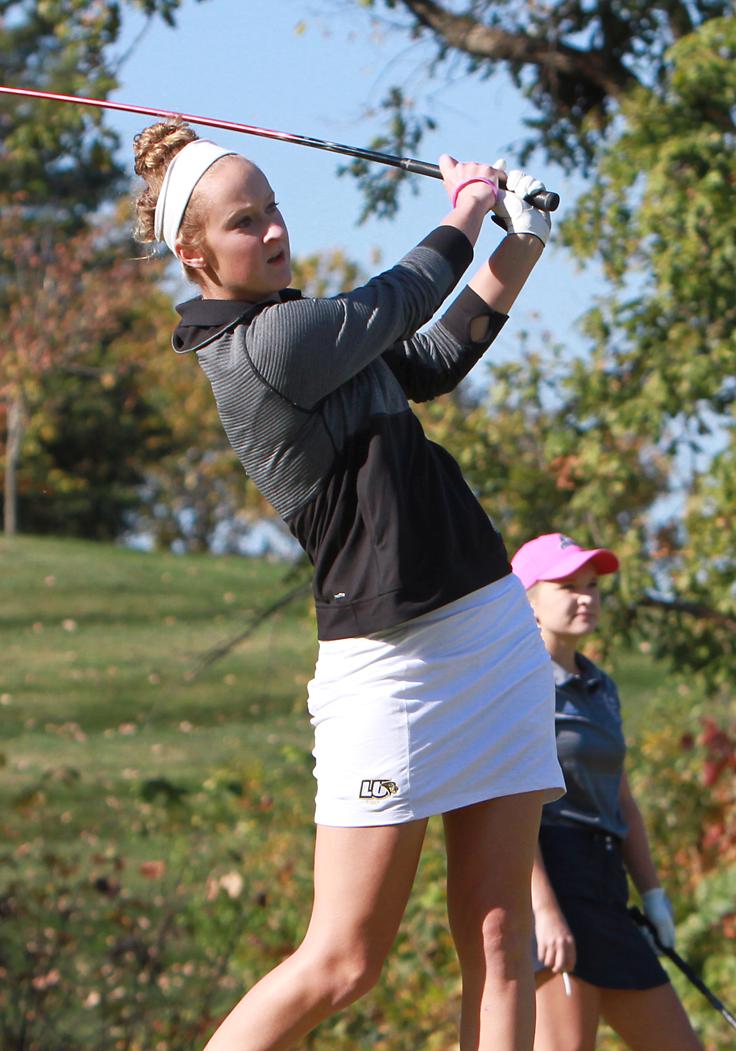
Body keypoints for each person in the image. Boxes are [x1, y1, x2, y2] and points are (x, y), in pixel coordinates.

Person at [131, 120, 561, 1051]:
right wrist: (468, 212)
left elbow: (432, 359)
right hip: (391, 666)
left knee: (498, 935)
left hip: (488, 627)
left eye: (275, 208)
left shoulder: (309, 327)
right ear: (192, 253)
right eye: (247, 223)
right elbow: (402, 297)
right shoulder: (262, 348)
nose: (275, 231)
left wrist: (519, 242)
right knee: (343, 960)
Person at [510, 533, 704, 1051]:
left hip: (606, 886)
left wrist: (655, 895)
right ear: (525, 598)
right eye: (568, 586)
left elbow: (623, 800)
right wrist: (544, 910)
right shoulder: (516, 684)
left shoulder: (602, 688)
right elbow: (512, 807)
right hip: (551, 879)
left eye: (593, 586)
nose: (586, 597)